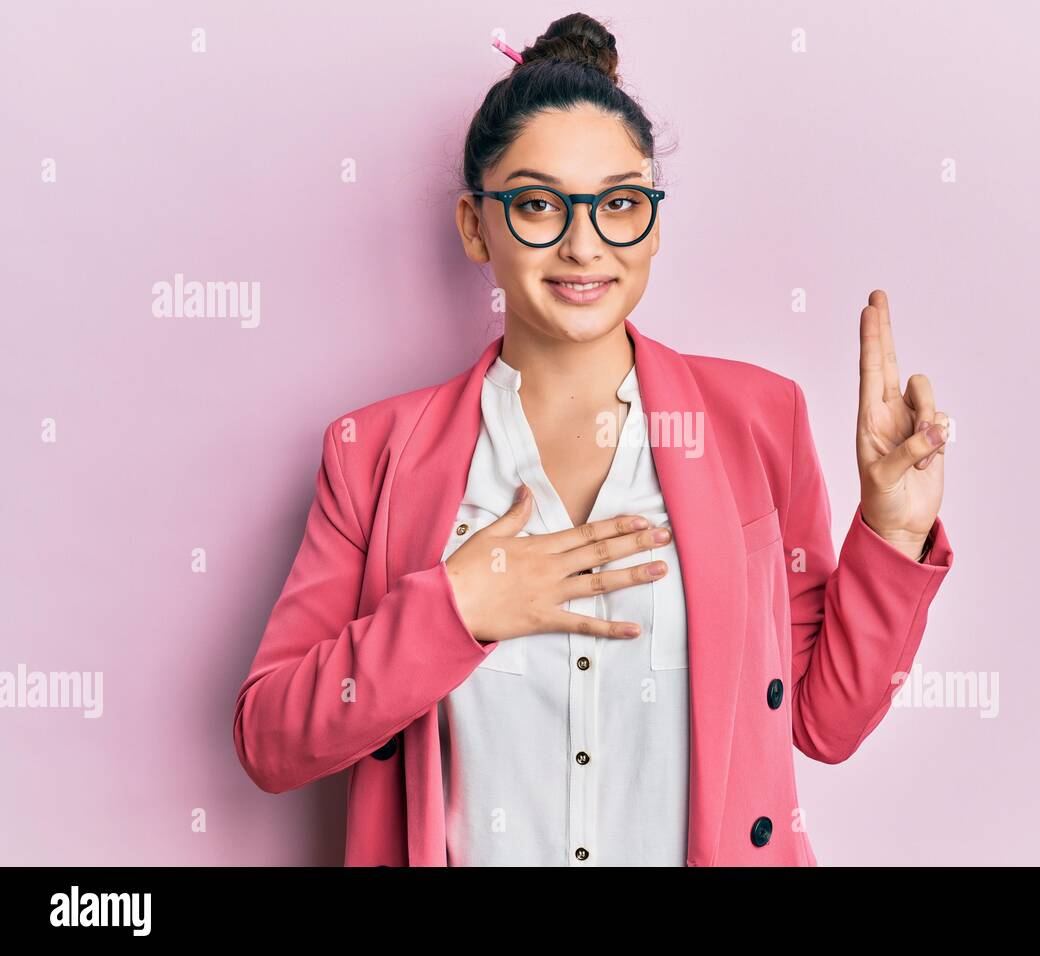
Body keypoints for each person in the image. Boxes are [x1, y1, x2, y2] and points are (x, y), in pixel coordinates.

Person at [233, 12, 954, 867]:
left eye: (618, 204)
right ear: (476, 226)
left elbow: (820, 723)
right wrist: (457, 611)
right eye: (538, 204)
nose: (583, 245)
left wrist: (893, 533)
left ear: (652, 224)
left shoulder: (759, 422)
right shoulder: (374, 453)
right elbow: (272, 741)